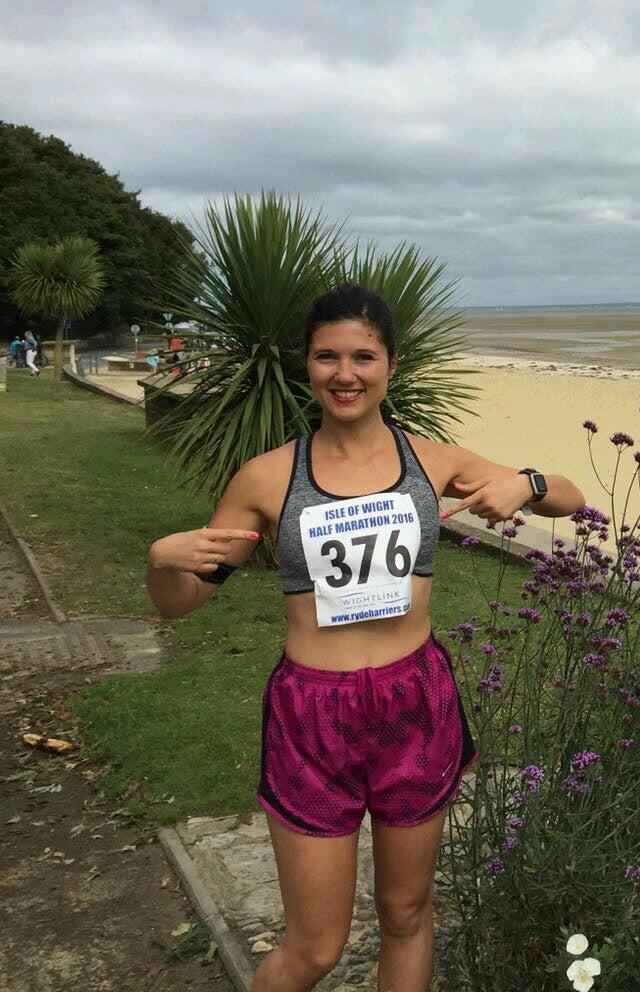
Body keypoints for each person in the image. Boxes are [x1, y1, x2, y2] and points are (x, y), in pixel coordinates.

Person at [145, 284, 585, 992]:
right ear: (307, 364)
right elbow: (182, 603)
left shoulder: (434, 462)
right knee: (314, 948)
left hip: (415, 701)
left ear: (391, 364)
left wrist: (528, 482)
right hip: (312, 716)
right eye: (327, 357)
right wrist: (162, 563)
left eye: (363, 357)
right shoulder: (267, 478)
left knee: (405, 913)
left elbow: (570, 497)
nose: (344, 374)